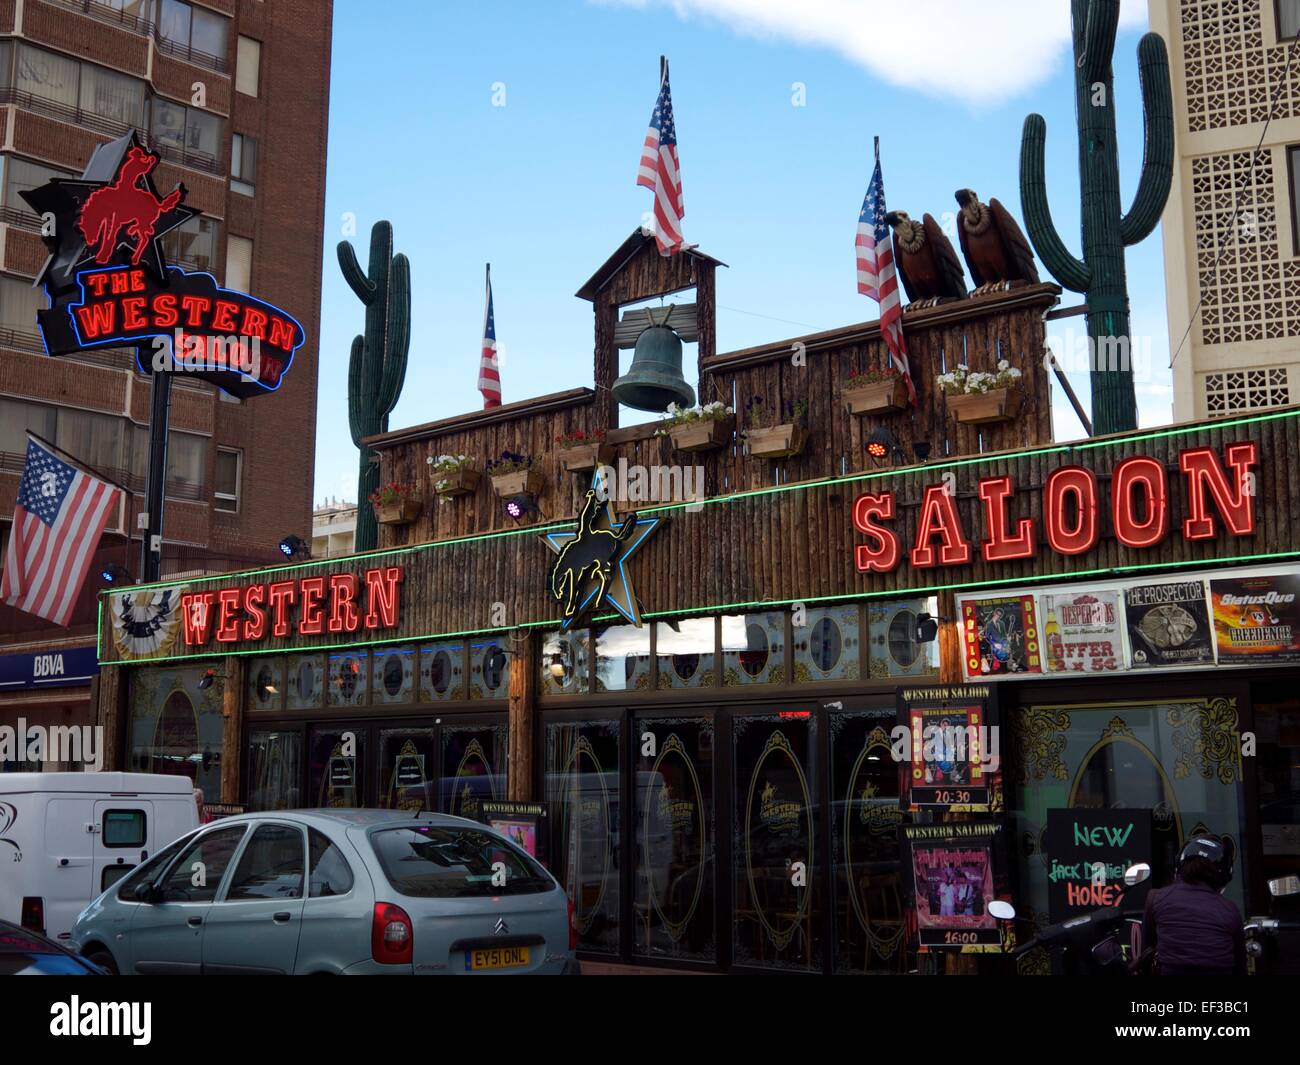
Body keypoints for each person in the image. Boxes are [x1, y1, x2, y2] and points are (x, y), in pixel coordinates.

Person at [1142, 837, 1246, 976]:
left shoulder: (1156, 898)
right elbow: (1240, 965)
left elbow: (1147, 952)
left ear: (1179, 865)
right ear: (1225, 875)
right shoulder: (1230, 910)